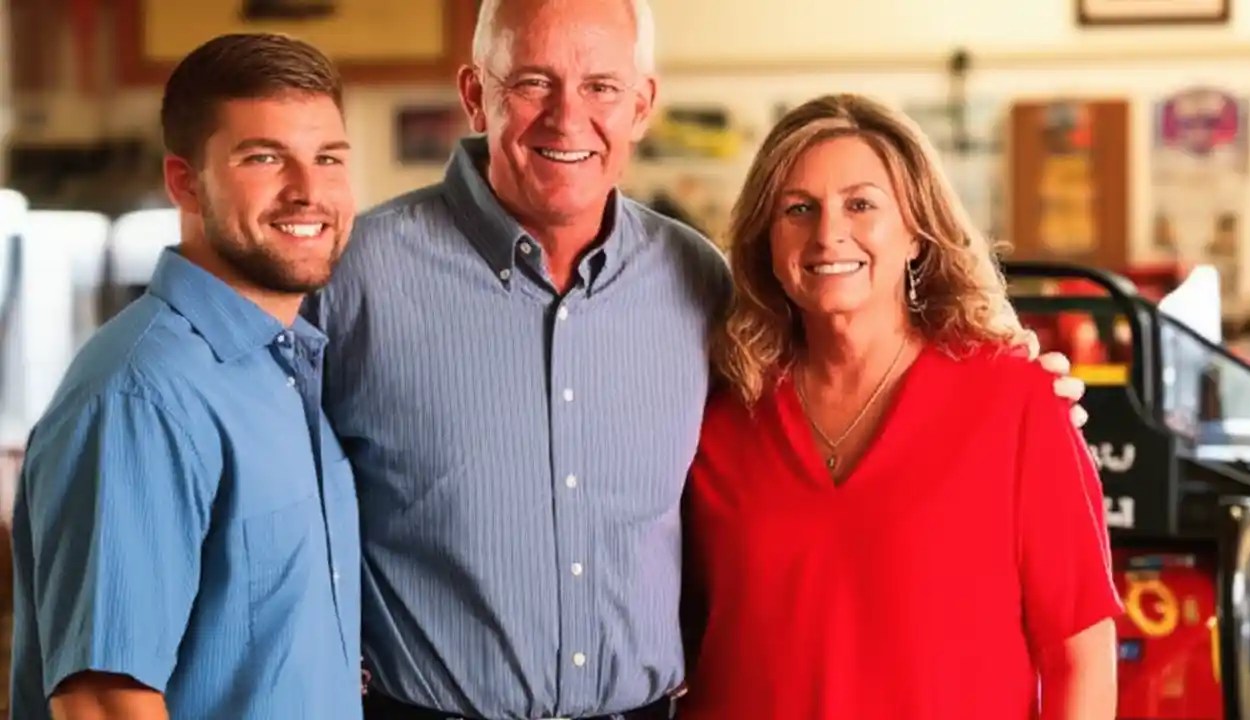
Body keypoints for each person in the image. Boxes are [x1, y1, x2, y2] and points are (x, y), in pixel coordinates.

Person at [305, 2, 1088, 718]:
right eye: (534, 80)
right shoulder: (355, 276)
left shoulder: (694, 286)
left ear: (642, 104)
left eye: (602, 85)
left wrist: (1026, 388)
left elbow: (1077, 645)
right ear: (476, 94)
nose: (568, 115)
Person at [678, 93, 1122, 720]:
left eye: (861, 204)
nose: (828, 233)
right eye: (798, 209)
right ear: (767, 241)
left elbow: (1081, 652)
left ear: (916, 231)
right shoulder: (719, 415)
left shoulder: (1016, 401)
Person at [9, 33, 362, 720]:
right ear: (184, 181)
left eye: (328, 158)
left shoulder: (282, 369)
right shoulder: (140, 397)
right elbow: (104, 703)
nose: (308, 190)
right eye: (264, 157)